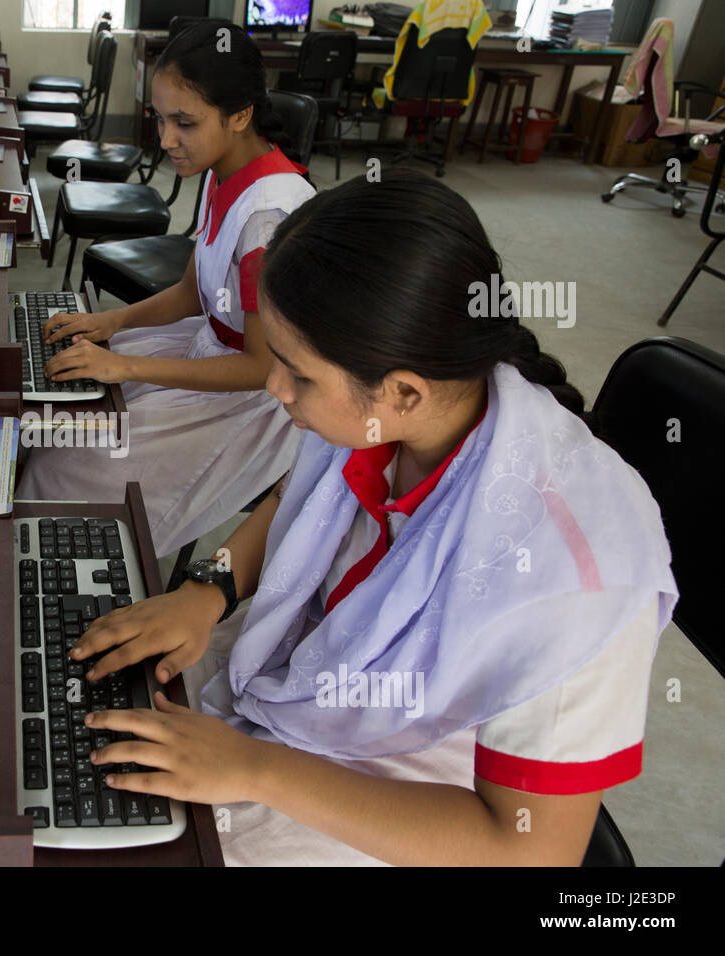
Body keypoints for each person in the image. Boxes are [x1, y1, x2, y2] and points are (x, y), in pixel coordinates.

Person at [68, 170, 678, 865]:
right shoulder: (389, 416)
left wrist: (254, 770)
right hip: (300, 683)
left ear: (403, 393)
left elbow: (528, 852)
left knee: (130, 842)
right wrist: (204, 591)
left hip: (406, 792)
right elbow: (292, 504)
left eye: (296, 374)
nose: (274, 386)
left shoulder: (576, 577)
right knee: (84, 704)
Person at [16, 19, 315, 558]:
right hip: (208, 346)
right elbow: (191, 290)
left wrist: (127, 367)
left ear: (241, 114)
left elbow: (259, 367)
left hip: (250, 400)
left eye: (184, 122)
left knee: (69, 454)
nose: (165, 139)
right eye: (160, 118)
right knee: (60, 401)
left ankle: (50, 573)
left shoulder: (268, 221)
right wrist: (110, 323)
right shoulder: (222, 167)